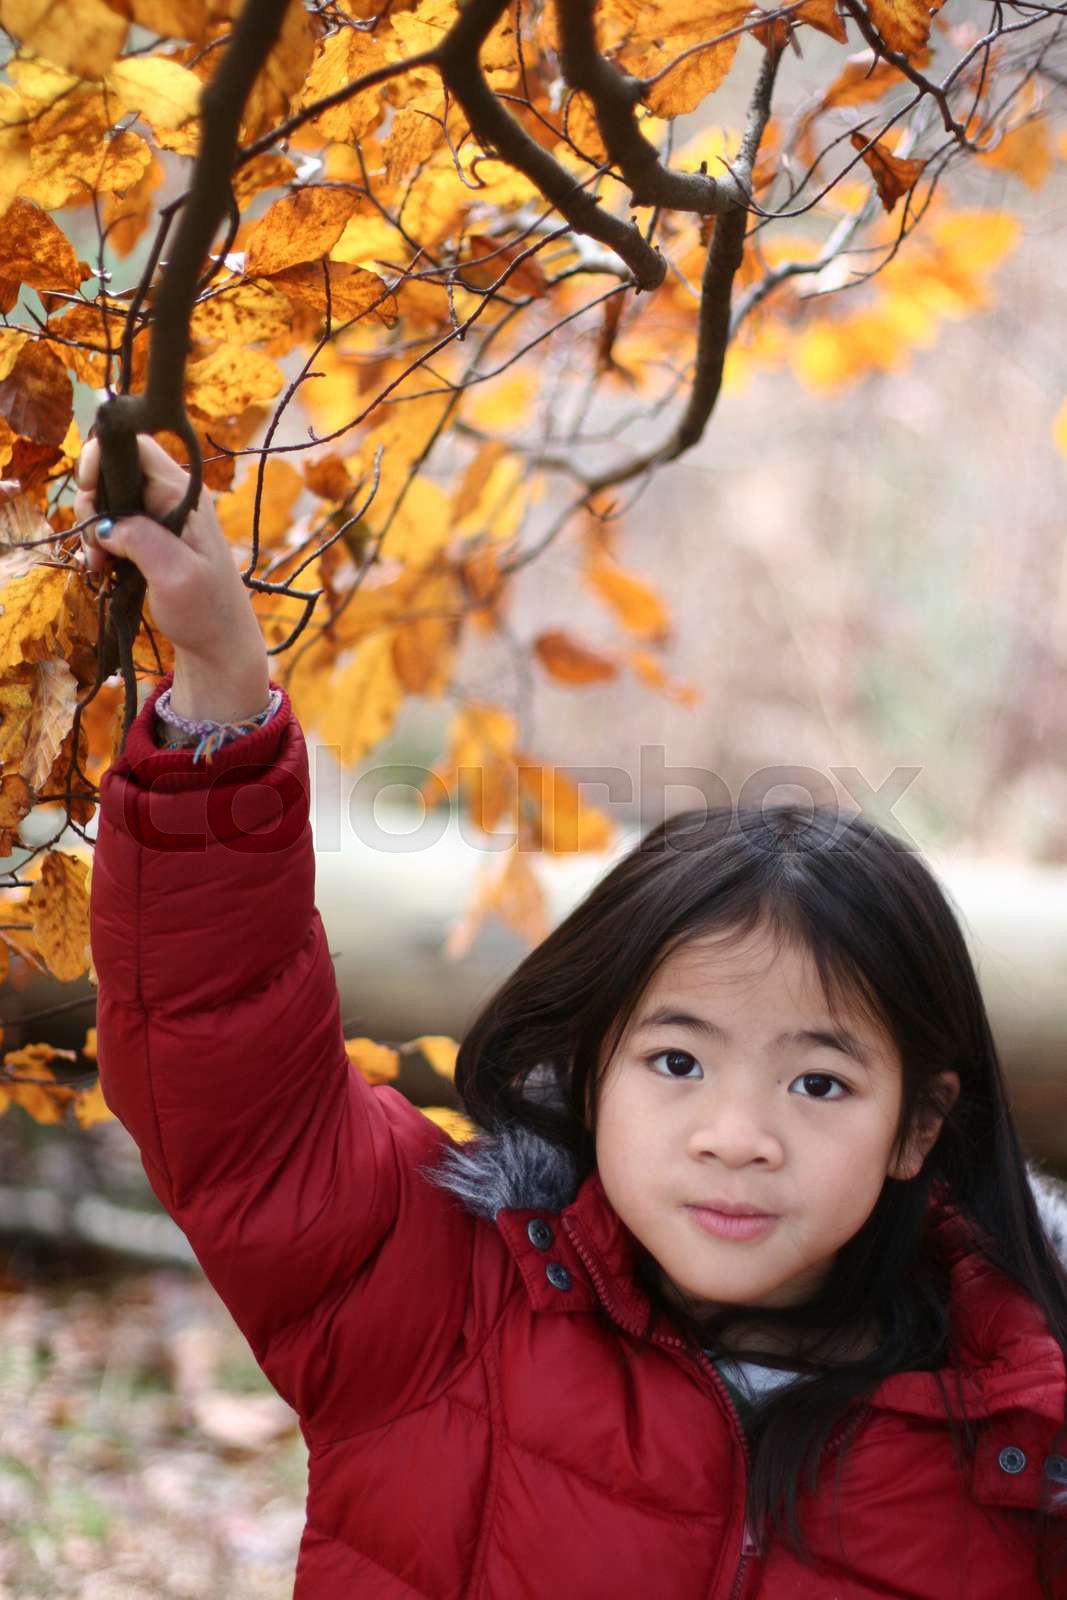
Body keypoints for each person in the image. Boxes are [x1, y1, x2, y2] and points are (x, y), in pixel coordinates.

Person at [80, 432, 1067, 1599]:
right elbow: (233, 1082)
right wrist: (217, 692)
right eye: (676, 1061)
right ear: (594, 1071)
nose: (734, 1134)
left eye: (817, 1083)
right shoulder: (441, 1296)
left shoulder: (1021, 1440)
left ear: (915, 1125)